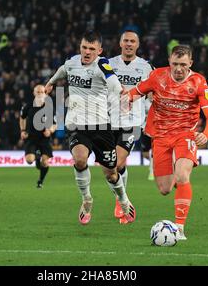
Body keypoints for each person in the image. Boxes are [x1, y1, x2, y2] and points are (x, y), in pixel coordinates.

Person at [44, 30, 136, 225]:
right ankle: (86, 200)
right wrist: (51, 82)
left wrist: (121, 92)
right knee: (79, 159)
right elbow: (63, 70)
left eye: (92, 49)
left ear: (99, 50)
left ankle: (123, 200)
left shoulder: (102, 64)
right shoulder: (72, 62)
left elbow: (112, 80)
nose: (87, 52)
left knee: (111, 174)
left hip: (102, 127)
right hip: (77, 124)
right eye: (84, 47)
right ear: (80, 47)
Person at [128, 45, 208, 239]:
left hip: (185, 134)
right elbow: (134, 92)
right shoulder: (158, 76)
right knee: (165, 189)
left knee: (183, 175)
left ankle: (179, 228)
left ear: (190, 63)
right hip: (160, 136)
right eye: (175, 64)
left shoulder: (198, 82)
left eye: (183, 64)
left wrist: (206, 134)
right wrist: (125, 101)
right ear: (169, 61)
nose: (178, 69)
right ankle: (183, 188)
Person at [108, 30, 154, 221]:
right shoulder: (108, 64)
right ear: (120, 43)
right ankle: (123, 198)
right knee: (113, 168)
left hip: (132, 122)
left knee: (116, 163)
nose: (128, 44)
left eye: (132, 41)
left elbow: (153, 94)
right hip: (109, 121)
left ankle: (121, 200)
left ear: (137, 45)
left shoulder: (145, 67)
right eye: (125, 40)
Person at [20, 84, 56, 188]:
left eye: (42, 92)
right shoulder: (28, 106)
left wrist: (50, 130)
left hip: (44, 139)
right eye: (38, 92)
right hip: (31, 137)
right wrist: (22, 130)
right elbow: (22, 118)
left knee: (44, 162)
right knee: (29, 160)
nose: (40, 94)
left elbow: (55, 123)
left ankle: (40, 181)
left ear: (45, 93)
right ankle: (36, 157)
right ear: (34, 93)